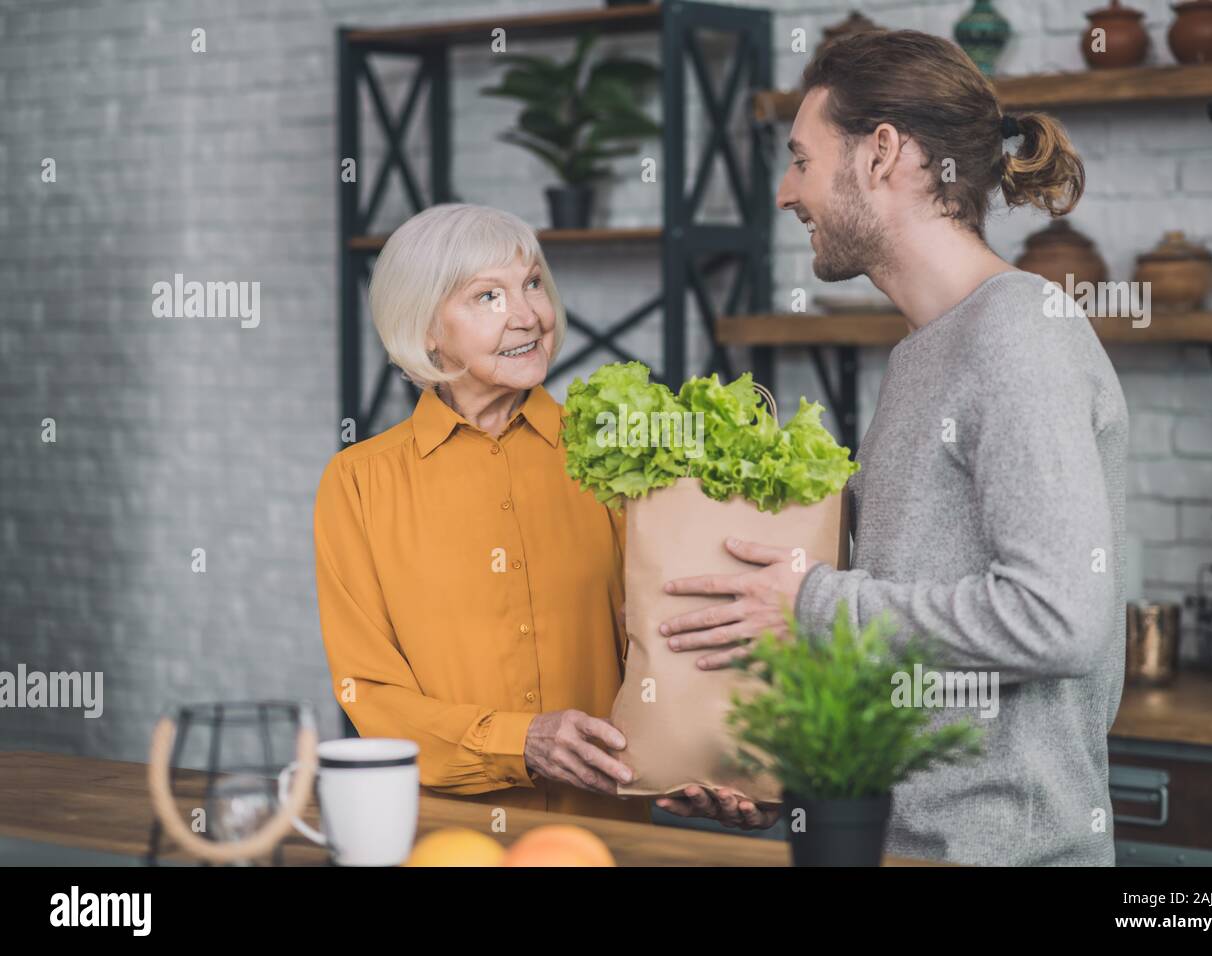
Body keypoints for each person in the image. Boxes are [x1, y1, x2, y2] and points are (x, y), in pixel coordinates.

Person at [656, 30, 1128, 865]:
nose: (783, 192)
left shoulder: (1021, 335)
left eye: (801, 160)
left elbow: (1060, 618)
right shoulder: (927, 350)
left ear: (882, 154)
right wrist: (792, 781)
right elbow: (904, 645)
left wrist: (809, 604)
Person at [314, 203, 650, 822]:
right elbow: (373, 695)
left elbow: (665, 643)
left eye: (531, 285)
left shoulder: (614, 452)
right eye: (488, 296)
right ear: (427, 331)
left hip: (606, 830)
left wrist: (719, 761)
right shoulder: (358, 484)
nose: (528, 315)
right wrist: (517, 740)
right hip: (445, 836)